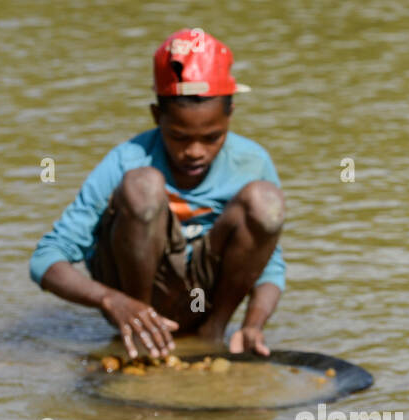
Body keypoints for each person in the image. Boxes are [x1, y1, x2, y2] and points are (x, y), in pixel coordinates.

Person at [29, 27, 286, 360]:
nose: (195, 152)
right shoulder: (128, 158)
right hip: (134, 294)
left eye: (211, 138)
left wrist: (253, 324)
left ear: (230, 116)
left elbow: (270, 265)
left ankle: (212, 334)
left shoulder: (252, 161)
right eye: (179, 137)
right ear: (156, 116)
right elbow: (46, 259)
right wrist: (112, 300)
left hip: (203, 302)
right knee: (144, 186)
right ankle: (140, 328)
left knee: (266, 201)